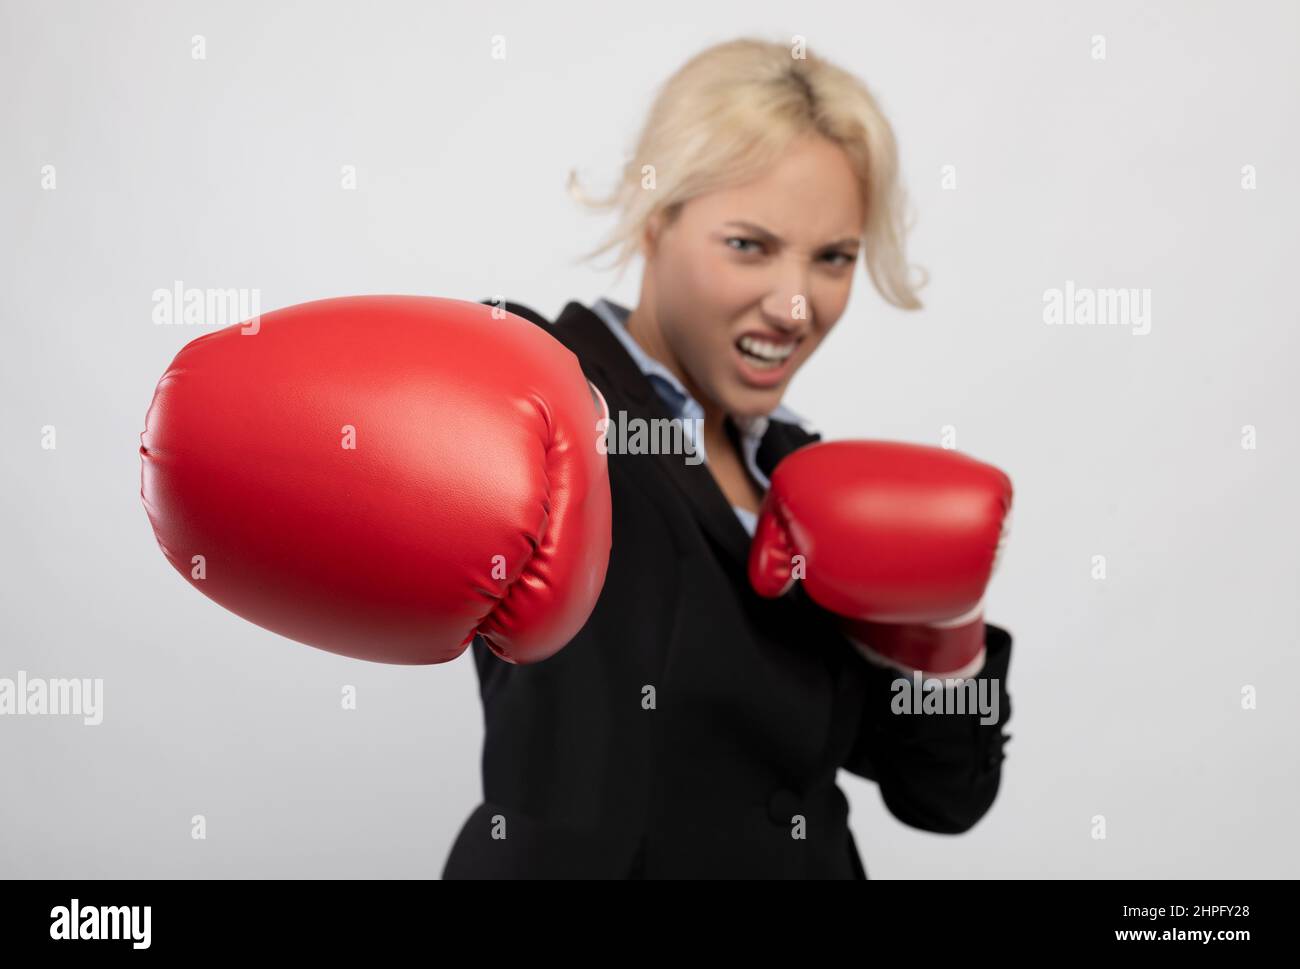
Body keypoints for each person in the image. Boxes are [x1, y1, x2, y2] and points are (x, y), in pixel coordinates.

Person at [440, 37, 1015, 879]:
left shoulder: (806, 477)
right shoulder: (558, 403)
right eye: (749, 244)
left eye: (832, 258)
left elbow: (945, 796)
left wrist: (945, 636)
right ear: (656, 216)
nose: (793, 306)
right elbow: (460, 390)